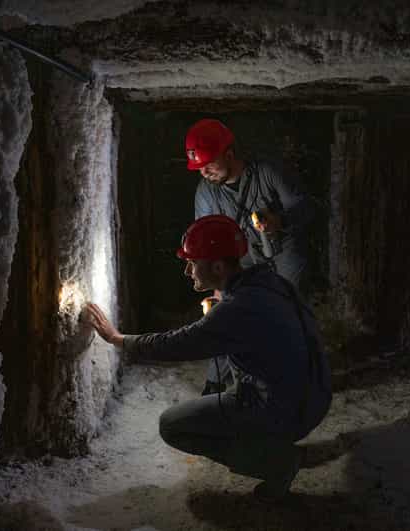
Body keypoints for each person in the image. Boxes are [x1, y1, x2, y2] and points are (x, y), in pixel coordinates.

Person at [84, 215, 332, 500]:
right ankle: (272, 442)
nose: (189, 271)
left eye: (193, 263)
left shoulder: (237, 308)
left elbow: (176, 344)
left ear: (216, 266)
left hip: (287, 411)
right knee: (233, 388)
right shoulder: (268, 281)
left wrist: (118, 339)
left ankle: (276, 462)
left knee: (172, 425)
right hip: (315, 395)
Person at [185, 118, 318, 395]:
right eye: (200, 168)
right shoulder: (206, 191)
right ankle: (217, 382)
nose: (205, 172)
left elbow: (306, 207)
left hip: (281, 248)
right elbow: (205, 239)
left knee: (288, 310)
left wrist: (279, 220)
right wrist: (215, 282)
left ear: (229, 154)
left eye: (210, 163)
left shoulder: (267, 172)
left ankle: (300, 375)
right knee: (225, 312)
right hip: (242, 257)